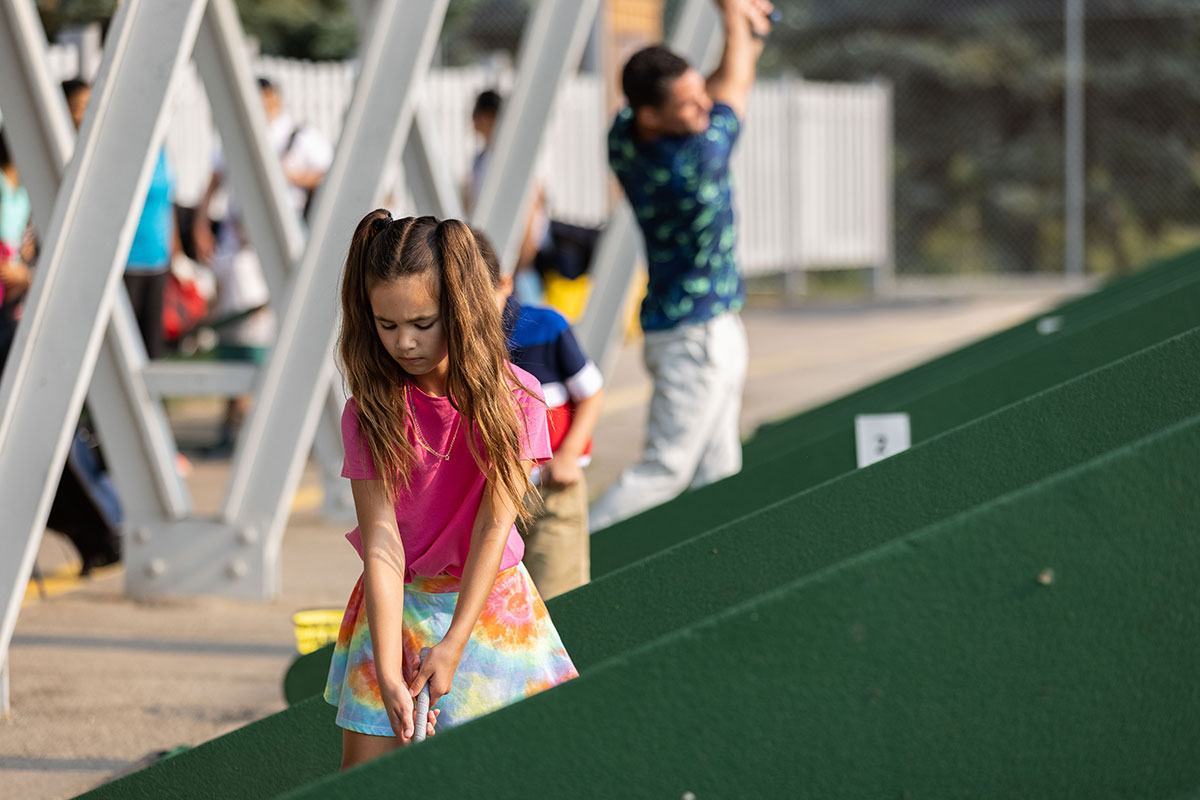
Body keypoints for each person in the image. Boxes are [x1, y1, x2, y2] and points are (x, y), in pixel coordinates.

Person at [323, 212, 578, 769]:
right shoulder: (369, 411)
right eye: (386, 324)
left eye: (422, 322)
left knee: (511, 772)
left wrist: (456, 641)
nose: (404, 342)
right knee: (363, 778)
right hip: (396, 606)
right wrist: (387, 669)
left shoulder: (517, 398)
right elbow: (383, 545)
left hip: (491, 604)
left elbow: (494, 526)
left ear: (461, 310)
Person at [588, 0, 773, 532]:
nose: (702, 107)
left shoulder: (624, 137)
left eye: (699, 96)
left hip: (693, 329)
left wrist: (743, 30)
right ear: (653, 115)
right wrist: (735, 17)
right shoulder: (696, 161)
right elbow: (735, 83)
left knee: (719, 470)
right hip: (698, 338)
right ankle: (566, 565)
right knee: (665, 470)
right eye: (689, 105)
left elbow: (716, 87)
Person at [193, 75, 333, 449]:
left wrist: (291, 175)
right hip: (237, 248)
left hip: (278, 249)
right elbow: (214, 181)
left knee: (269, 332)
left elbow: (329, 174)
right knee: (233, 331)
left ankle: (265, 418)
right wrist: (201, 223)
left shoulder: (298, 137)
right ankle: (234, 412)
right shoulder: (237, 132)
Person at [476, 229, 604, 599]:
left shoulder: (548, 327)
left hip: (551, 488)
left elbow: (591, 393)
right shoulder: (457, 345)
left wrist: (568, 455)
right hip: (491, 496)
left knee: (559, 595)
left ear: (505, 284)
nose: (472, 314)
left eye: (480, 298)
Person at [63, 78, 177, 359]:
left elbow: (168, 202)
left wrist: (176, 251)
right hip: (123, 262)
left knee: (152, 352)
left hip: (157, 260)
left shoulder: (159, 147)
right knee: (121, 354)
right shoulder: (113, 148)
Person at [465, 89, 548, 306]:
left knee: (527, 309)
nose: (472, 122)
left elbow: (532, 202)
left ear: (489, 116)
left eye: (475, 115)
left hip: (519, 252)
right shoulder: (480, 159)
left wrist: (527, 248)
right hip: (490, 247)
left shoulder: (514, 157)